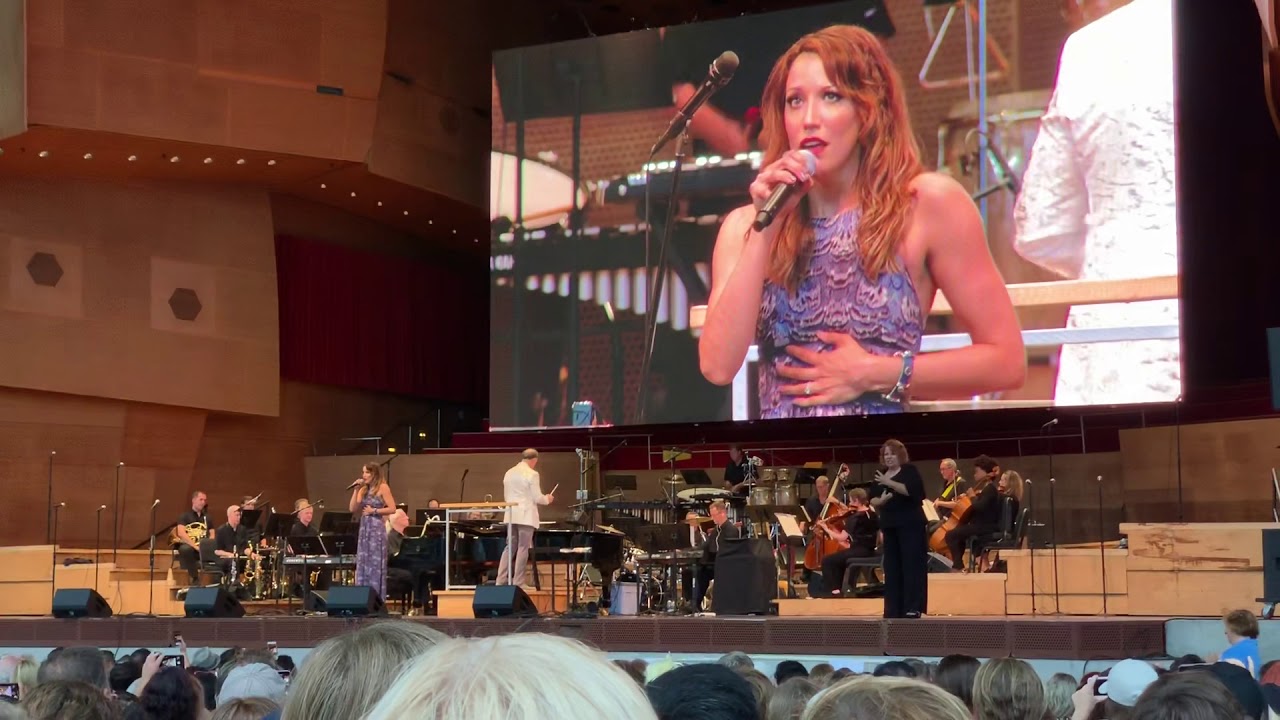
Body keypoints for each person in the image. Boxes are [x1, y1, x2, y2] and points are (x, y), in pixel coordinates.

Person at [697, 24, 1025, 418]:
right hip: (785, 464)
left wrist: (875, 372)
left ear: (869, 108)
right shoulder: (746, 225)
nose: (809, 119)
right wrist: (766, 230)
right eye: (795, 101)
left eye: (831, 97)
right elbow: (717, 367)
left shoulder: (927, 204)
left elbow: (1006, 361)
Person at [1013, 0, 1179, 406]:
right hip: (1243, 319)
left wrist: (1117, 248)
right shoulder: (1251, 26)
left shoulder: (1089, 48)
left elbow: (1041, 227)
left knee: (1111, 460)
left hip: (1115, 325)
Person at [867, 439, 926, 618]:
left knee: (911, 566)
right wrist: (881, 501)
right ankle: (893, 608)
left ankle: (912, 606)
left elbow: (915, 492)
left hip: (910, 524)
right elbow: (872, 500)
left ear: (900, 455)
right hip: (890, 525)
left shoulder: (910, 471)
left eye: (892, 453)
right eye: (886, 454)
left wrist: (890, 482)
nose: (889, 457)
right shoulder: (881, 475)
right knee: (892, 568)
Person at [496, 449, 553, 587]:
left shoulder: (509, 472)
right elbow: (537, 497)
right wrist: (547, 499)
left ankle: (501, 580)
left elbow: (506, 496)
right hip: (525, 515)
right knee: (523, 547)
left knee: (510, 547)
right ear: (534, 460)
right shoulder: (532, 474)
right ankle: (518, 582)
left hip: (510, 514)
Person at [349, 462, 397, 600]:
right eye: (363, 472)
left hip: (376, 528)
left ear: (374, 473)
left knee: (374, 563)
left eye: (366, 472)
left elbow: (392, 508)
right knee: (363, 561)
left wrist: (374, 510)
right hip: (365, 528)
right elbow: (352, 508)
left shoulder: (382, 487)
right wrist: (355, 490)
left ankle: (375, 599)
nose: (363, 475)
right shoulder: (363, 489)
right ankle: (361, 597)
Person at [818, 488, 878, 595]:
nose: (849, 504)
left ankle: (831, 592)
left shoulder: (855, 518)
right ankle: (837, 590)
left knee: (827, 560)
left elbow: (841, 537)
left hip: (858, 551)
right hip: (870, 550)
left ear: (856, 501)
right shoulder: (872, 513)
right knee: (839, 560)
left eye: (850, 501)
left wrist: (826, 528)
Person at [693, 500, 742, 612]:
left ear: (723, 513)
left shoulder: (731, 530)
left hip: (726, 564)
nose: (713, 518)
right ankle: (695, 603)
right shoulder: (716, 530)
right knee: (700, 571)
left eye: (714, 515)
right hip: (715, 562)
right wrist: (693, 551)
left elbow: (727, 549)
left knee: (704, 571)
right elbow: (707, 545)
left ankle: (714, 605)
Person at [173, 491, 209, 584]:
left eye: (204, 500)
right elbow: (181, 533)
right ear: (193, 500)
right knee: (185, 549)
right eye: (201, 499)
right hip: (189, 545)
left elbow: (212, 534)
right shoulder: (184, 516)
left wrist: (207, 544)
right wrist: (195, 546)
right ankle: (194, 577)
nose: (203, 502)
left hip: (202, 545)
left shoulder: (207, 518)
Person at [1217, 609, 1261, 677]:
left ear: (1233, 630)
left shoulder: (1231, 655)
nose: (1225, 632)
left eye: (1227, 628)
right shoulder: (1254, 649)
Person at [213, 506, 256, 575]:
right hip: (225, 558)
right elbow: (217, 551)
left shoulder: (242, 529)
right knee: (234, 562)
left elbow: (245, 548)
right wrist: (231, 555)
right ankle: (234, 583)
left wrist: (252, 554)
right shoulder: (221, 530)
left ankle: (250, 584)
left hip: (238, 557)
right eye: (237, 515)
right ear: (229, 515)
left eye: (240, 515)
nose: (239, 517)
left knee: (253, 561)